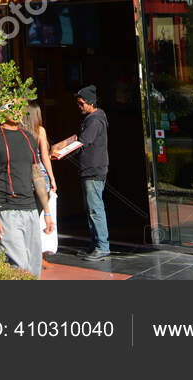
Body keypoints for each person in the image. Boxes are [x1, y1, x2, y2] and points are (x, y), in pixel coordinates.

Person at [0, 108, 56, 277]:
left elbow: (37, 177)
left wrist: (47, 213)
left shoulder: (28, 138)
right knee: (19, 264)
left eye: (19, 107)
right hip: (7, 210)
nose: (17, 111)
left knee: (34, 264)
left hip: (30, 209)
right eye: (11, 107)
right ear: (1, 111)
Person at [73, 85, 111, 257]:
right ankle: (95, 243)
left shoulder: (94, 120)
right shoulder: (93, 119)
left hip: (93, 170)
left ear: (90, 103)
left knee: (95, 208)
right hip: (90, 169)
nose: (79, 106)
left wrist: (62, 150)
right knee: (91, 209)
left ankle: (102, 246)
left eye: (81, 104)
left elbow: (83, 142)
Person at [25, 102, 58, 255]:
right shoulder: (40, 131)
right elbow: (45, 156)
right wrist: (52, 178)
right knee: (41, 212)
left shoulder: (20, 130)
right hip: (40, 175)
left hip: (25, 175)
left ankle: (29, 249)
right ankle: (40, 254)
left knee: (28, 213)